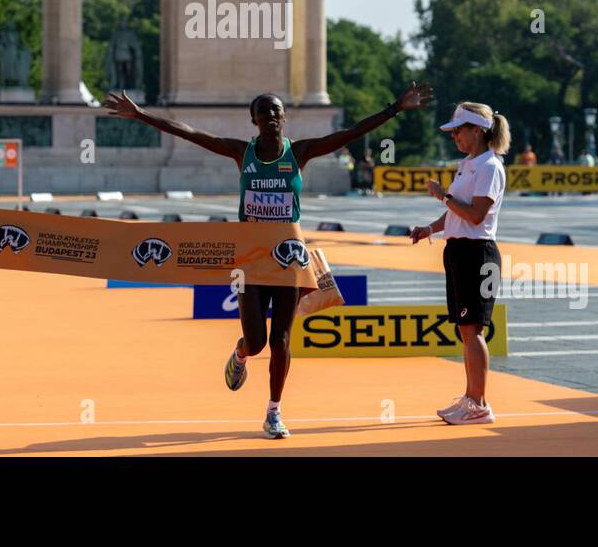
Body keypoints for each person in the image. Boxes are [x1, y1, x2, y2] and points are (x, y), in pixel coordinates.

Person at [104, 81, 433, 439]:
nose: (271, 116)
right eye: (264, 112)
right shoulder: (240, 153)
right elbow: (191, 133)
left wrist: (394, 109)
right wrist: (140, 115)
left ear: (285, 117)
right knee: (257, 341)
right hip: (250, 261)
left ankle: (273, 412)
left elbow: (351, 132)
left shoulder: (300, 153)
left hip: (289, 259)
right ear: (254, 121)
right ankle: (242, 353)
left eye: (276, 110)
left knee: (281, 341)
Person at [410, 102, 509, 426]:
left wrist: (443, 196)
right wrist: (431, 227)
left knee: (473, 330)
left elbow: (476, 214)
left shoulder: (490, 166)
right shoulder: (468, 164)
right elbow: (457, 210)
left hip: (477, 253)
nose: (455, 136)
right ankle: (471, 398)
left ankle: (479, 403)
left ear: (477, 131)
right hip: (459, 251)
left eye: (459, 130)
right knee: (466, 331)